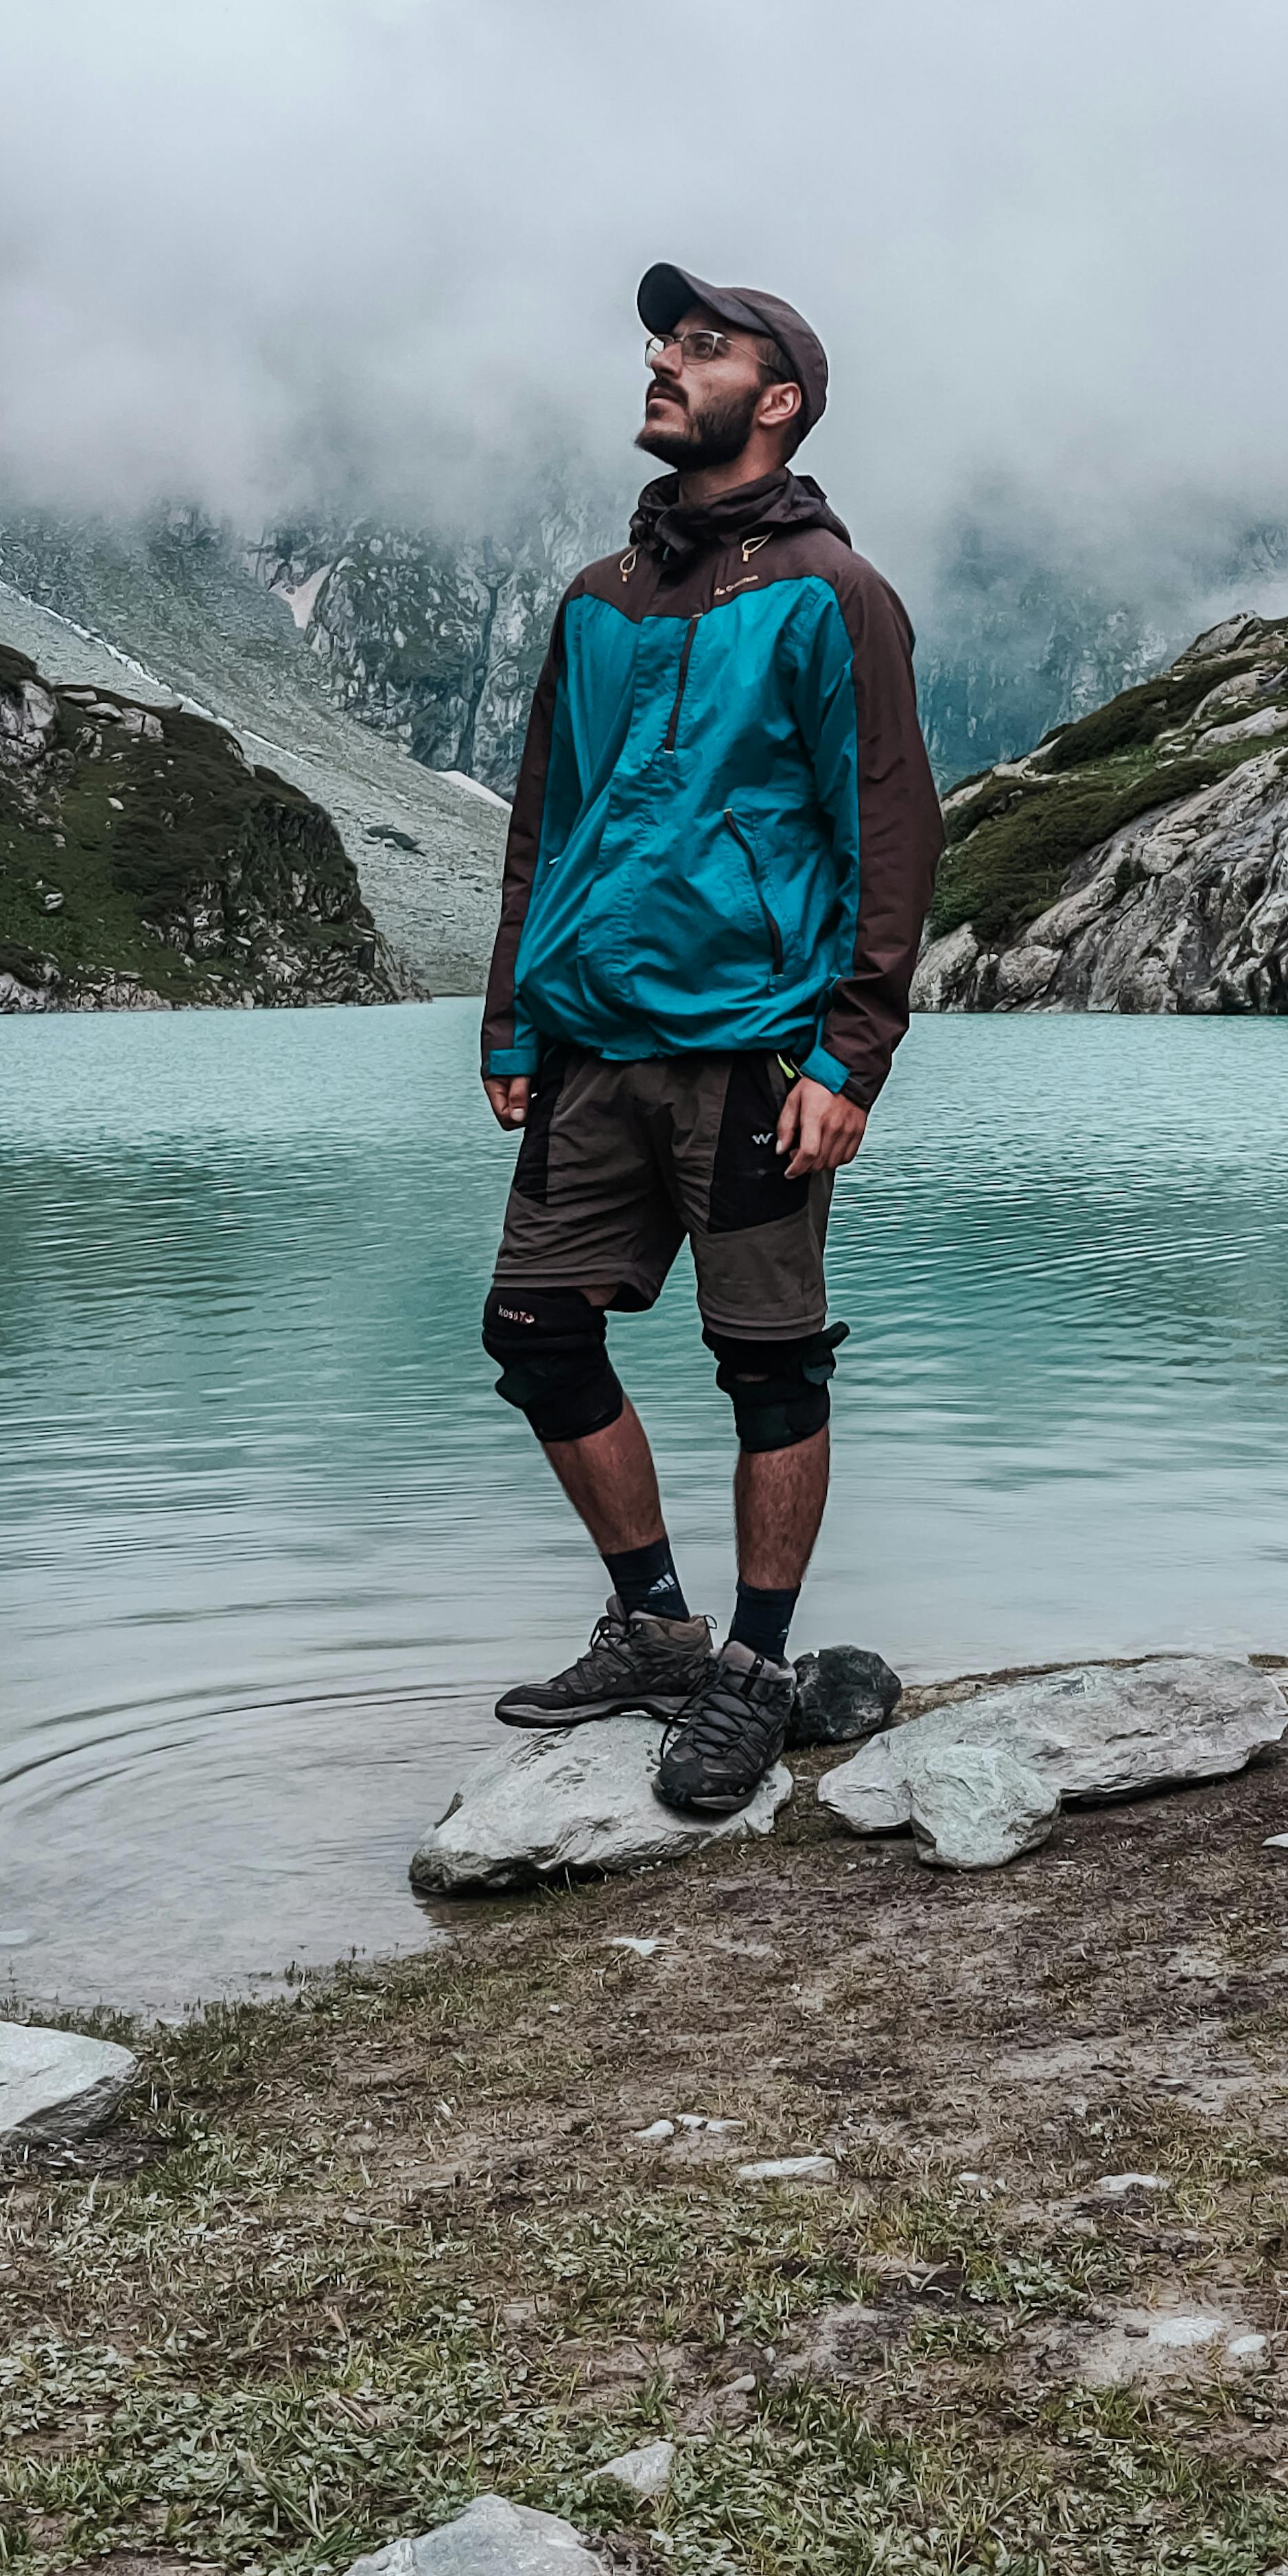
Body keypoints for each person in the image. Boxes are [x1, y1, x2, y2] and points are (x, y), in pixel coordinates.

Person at [478, 261, 942, 1817]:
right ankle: (655, 1627)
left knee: (766, 1365)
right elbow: (546, 818)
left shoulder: (833, 593)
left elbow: (889, 827)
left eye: (700, 347)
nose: (661, 367)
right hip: (590, 1048)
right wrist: (511, 1014)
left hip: (755, 1046)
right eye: (659, 347)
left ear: (781, 400)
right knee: (535, 1335)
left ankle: (752, 1670)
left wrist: (847, 1056)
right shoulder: (597, 600)